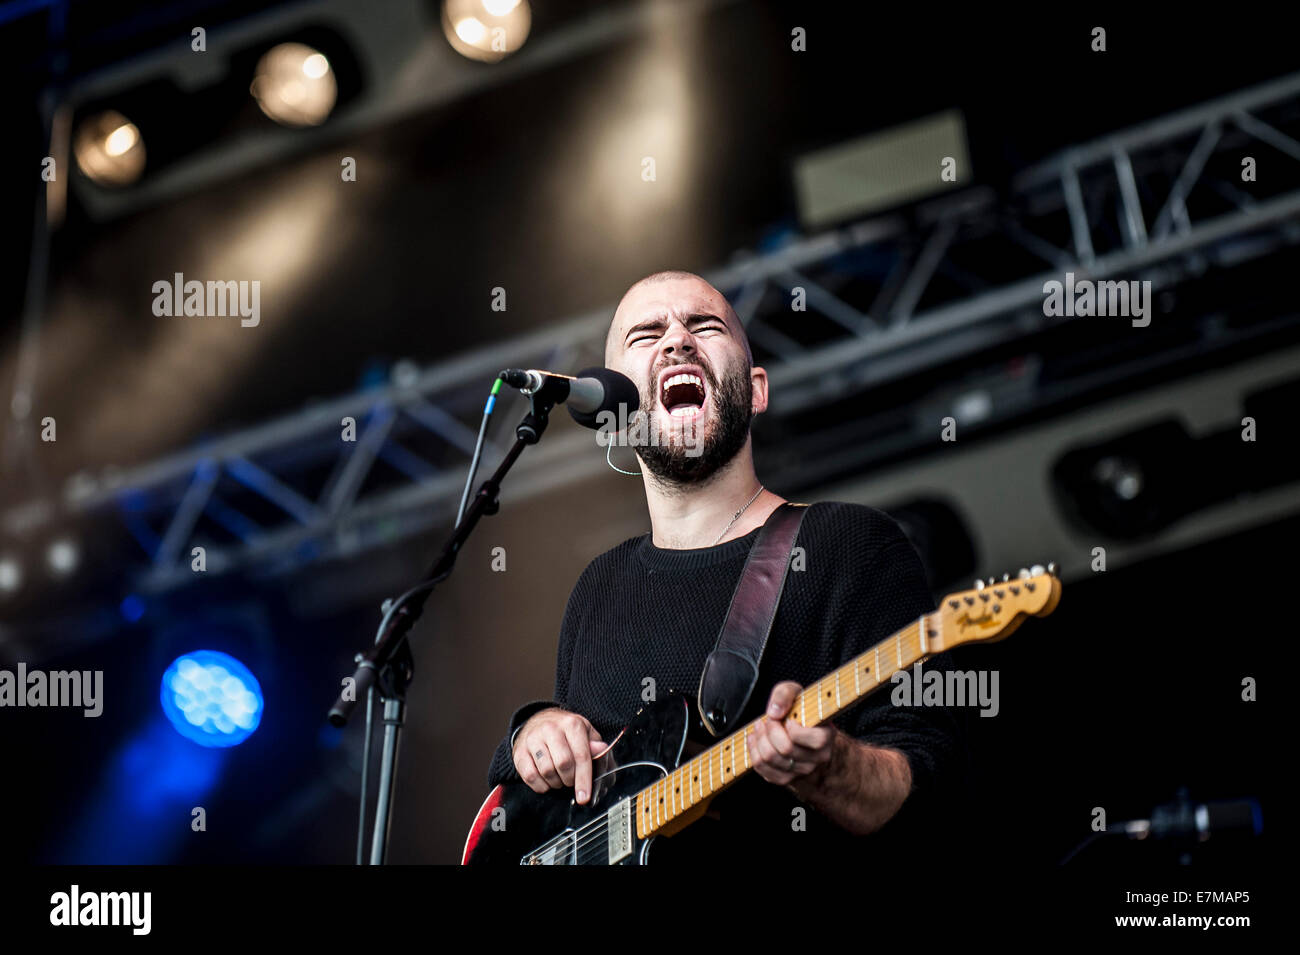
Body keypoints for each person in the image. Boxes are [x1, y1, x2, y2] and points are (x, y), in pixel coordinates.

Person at [485, 270, 966, 864]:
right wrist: (533, 732)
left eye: (704, 327)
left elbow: (928, 782)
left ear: (757, 390)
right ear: (614, 408)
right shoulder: (598, 588)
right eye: (646, 334)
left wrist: (832, 768)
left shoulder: (849, 544)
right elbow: (565, 805)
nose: (677, 340)